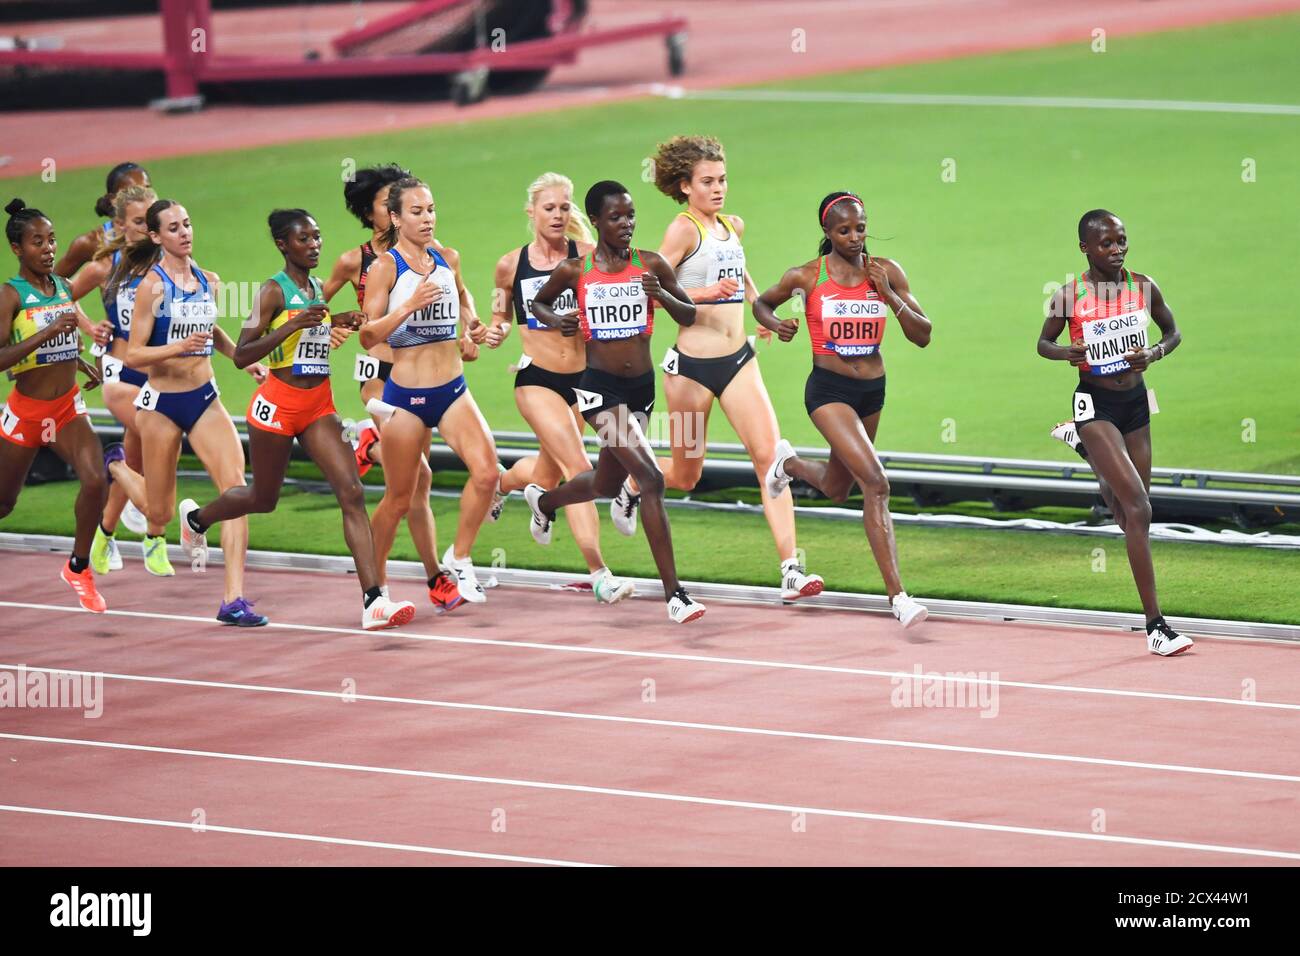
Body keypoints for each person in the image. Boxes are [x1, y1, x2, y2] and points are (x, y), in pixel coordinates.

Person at [178, 209, 416, 630]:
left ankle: (374, 601)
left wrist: (333, 319)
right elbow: (241, 355)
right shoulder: (274, 290)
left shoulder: (317, 288)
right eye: (304, 239)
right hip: (276, 406)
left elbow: (313, 331)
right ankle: (198, 519)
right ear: (283, 245)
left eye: (318, 237)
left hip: (318, 406)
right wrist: (292, 327)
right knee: (263, 498)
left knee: (352, 492)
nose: (314, 245)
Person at [618, 135, 822, 601]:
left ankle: (791, 568)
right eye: (707, 181)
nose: (718, 188)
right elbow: (650, 285)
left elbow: (742, 273)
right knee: (687, 475)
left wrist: (760, 310)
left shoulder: (733, 226)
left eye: (722, 179)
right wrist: (702, 296)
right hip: (689, 371)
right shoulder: (683, 230)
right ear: (685, 186)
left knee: (771, 460)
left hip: (738, 362)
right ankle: (633, 481)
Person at [523, 180, 706, 624]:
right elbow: (539, 306)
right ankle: (675, 595)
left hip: (640, 389)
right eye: (615, 218)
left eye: (630, 216)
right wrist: (560, 320)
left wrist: (660, 294)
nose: (626, 225)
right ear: (597, 221)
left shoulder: (652, 263)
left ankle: (544, 503)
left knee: (606, 484)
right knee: (651, 478)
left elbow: (689, 314)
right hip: (598, 390)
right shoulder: (575, 269)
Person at [757, 191, 931, 628]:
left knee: (839, 488)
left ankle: (788, 463)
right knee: (876, 482)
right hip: (828, 392)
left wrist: (889, 294)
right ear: (827, 232)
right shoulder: (807, 276)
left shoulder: (885, 271)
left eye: (860, 228)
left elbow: (923, 334)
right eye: (844, 230)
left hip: (873, 392)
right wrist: (777, 324)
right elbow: (763, 301)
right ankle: (899, 597)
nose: (854, 238)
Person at [1038, 209, 1190, 656]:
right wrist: (1067, 351)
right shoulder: (1069, 295)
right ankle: (1156, 626)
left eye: (1121, 240)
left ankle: (1086, 451)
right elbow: (1042, 344)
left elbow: (1174, 330)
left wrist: (1156, 353)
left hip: (1136, 404)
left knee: (1128, 517)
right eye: (1106, 243)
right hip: (1095, 404)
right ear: (1085, 248)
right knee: (1141, 510)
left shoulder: (1143, 285)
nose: (1117, 248)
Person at [483, 172, 634, 604]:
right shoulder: (511, 265)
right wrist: (494, 332)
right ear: (531, 212)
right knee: (579, 467)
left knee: (547, 473)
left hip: (586, 382)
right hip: (538, 380)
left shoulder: (588, 256)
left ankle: (507, 485)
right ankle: (599, 574)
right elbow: (501, 317)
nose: (557, 214)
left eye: (564, 207)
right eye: (549, 207)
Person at [122, 199, 269, 626]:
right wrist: (176, 348)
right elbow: (134, 353)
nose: (184, 232)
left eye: (187, 224)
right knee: (159, 514)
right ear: (155, 237)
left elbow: (211, 330)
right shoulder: (151, 286)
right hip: (162, 405)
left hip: (204, 398)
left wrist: (242, 357)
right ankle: (117, 466)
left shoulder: (209, 280)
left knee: (237, 491)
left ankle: (233, 600)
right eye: (173, 228)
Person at [359, 177, 499, 609]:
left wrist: (472, 324)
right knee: (400, 498)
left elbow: (462, 295)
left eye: (431, 209)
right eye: (416, 212)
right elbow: (368, 335)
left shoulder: (447, 256)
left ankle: (457, 557)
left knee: (488, 472)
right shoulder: (385, 267)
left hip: (453, 390)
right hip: (407, 398)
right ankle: (375, 591)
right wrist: (408, 307)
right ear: (396, 218)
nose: (427, 218)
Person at [0, 199, 110, 611]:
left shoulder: (63, 287)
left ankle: (78, 567)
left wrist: (81, 361)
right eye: (36, 242)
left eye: (51, 241)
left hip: (66, 407)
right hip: (26, 412)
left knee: (96, 480)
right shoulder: (11, 296)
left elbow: (62, 342)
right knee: (4, 504)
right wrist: (45, 336)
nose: (47, 249)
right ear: (17, 249)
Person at [69, 183, 158, 573]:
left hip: (157, 370)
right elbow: (56, 295)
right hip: (120, 371)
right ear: (120, 225)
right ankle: (155, 533)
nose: (149, 228)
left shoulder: (166, 261)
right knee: (157, 446)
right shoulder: (104, 266)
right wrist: (89, 326)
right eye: (140, 222)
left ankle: (105, 534)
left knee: (138, 456)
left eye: (153, 220)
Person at [55, 162, 151, 280]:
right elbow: (48, 285)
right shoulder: (92, 243)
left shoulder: (164, 232)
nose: (144, 197)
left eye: (146, 189)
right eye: (133, 191)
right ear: (114, 200)